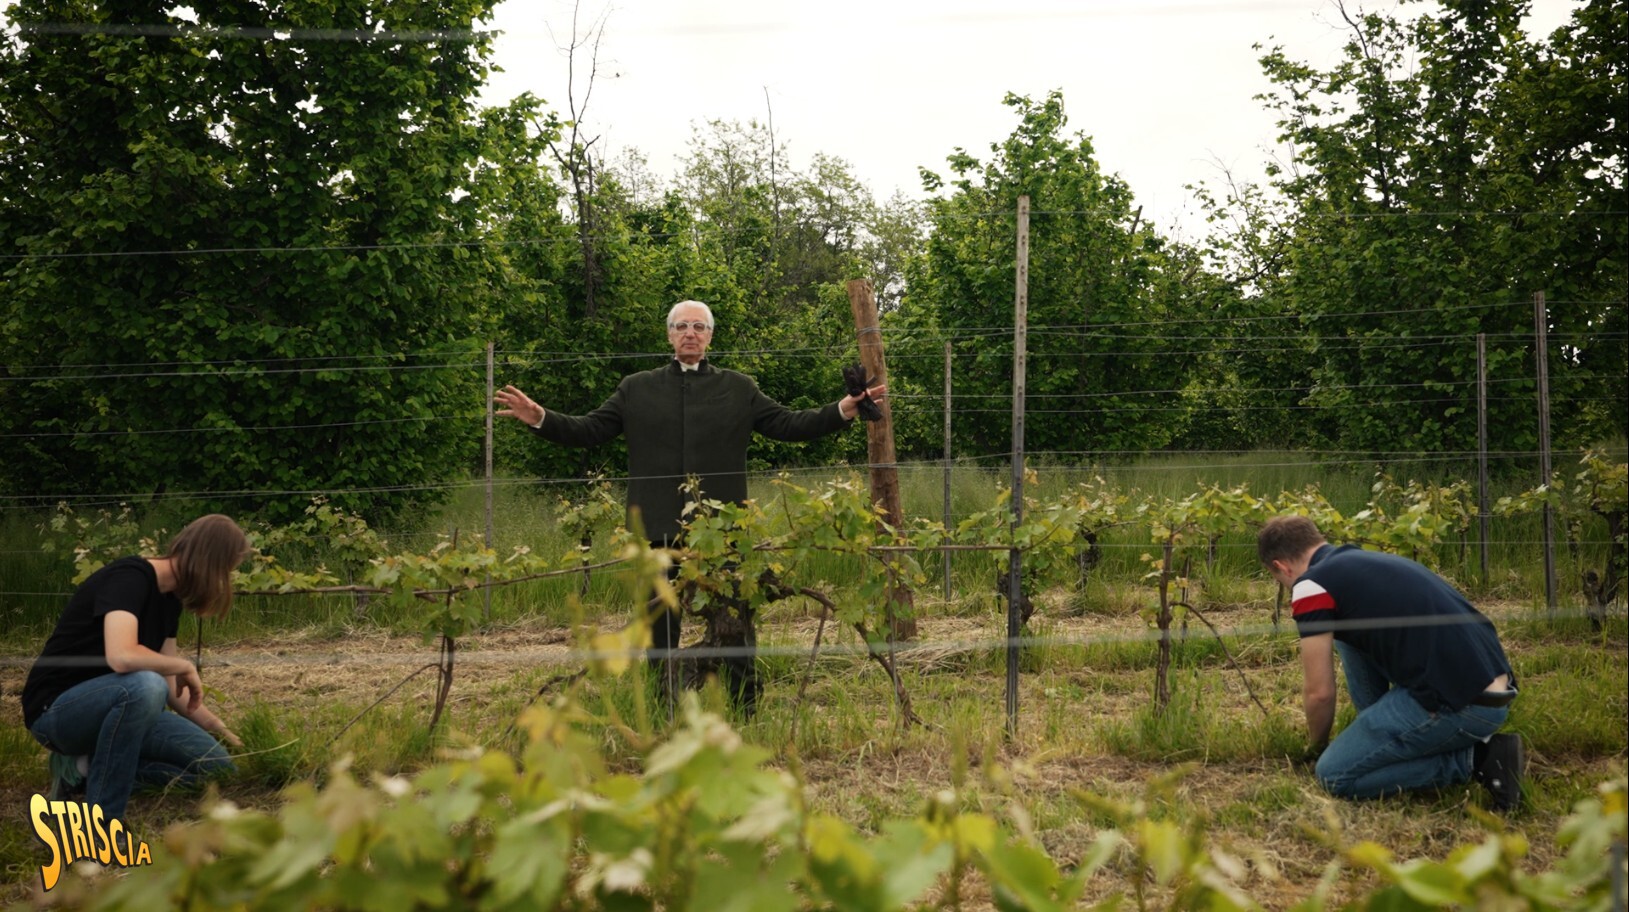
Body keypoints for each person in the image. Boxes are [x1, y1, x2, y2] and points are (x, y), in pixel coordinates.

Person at [495, 299, 884, 710]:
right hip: (657, 527)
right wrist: (541, 417)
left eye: (699, 326)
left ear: (710, 336)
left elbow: (788, 424)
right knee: (660, 625)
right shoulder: (636, 388)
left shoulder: (738, 388)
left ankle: (744, 706)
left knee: (734, 620)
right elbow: (588, 429)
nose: (690, 333)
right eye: (681, 326)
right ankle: (663, 707)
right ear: (669, 334)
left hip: (723, 530)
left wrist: (841, 410)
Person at [1257, 515, 1525, 810]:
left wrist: (1316, 748)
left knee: (1334, 775)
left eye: (1278, 579)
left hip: (1461, 705)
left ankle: (1478, 760)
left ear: (1281, 566)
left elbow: (1319, 693)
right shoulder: (1356, 562)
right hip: (1495, 689)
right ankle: (1380, 735)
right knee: (1347, 639)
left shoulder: (1311, 585)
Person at [21, 514, 250, 820]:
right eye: (225, 572)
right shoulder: (129, 578)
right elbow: (122, 655)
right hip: (58, 713)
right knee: (145, 685)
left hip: (122, 707)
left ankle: (82, 772)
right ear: (210, 562)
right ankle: (102, 820)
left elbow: (171, 689)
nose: (224, 583)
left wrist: (220, 730)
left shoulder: (170, 601)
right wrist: (181, 664)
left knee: (217, 769)